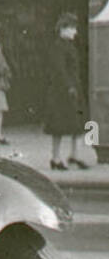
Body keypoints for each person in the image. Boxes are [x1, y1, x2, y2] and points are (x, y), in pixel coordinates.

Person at [43, 13, 91, 170]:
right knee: (59, 125)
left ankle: (74, 154)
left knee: (78, 123)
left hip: (73, 88)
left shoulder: (69, 45)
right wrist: (69, 86)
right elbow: (60, 69)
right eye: (72, 28)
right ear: (63, 29)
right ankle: (55, 157)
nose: (75, 32)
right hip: (62, 91)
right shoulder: (58, 46)